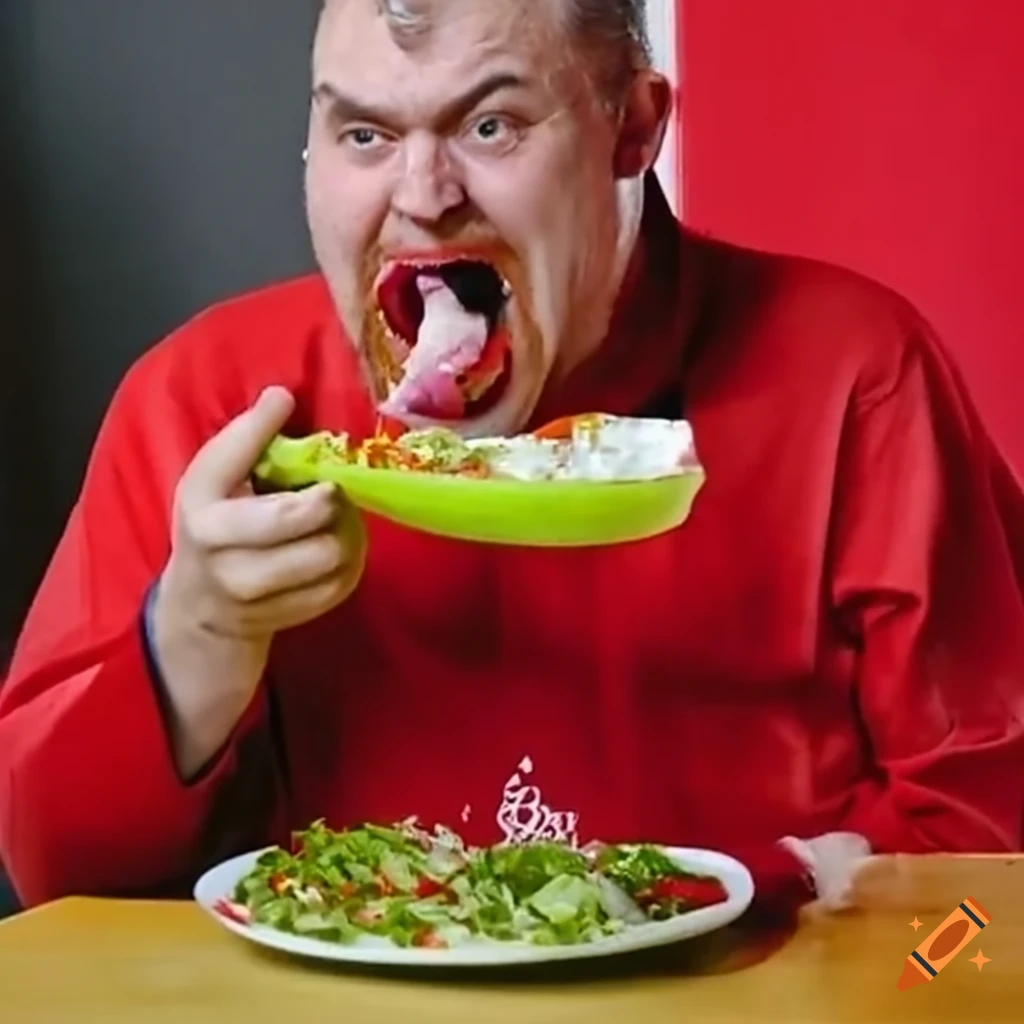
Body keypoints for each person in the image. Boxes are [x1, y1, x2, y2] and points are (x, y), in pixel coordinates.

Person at [2, 0, 1023, 914]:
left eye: (489, 125)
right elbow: (50, 876)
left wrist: (810, 916)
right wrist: (192, 634)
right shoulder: (213, 403)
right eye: (364, 133)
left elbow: (989, 894)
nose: (423, 193)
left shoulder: (856, 375)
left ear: (632, 129)